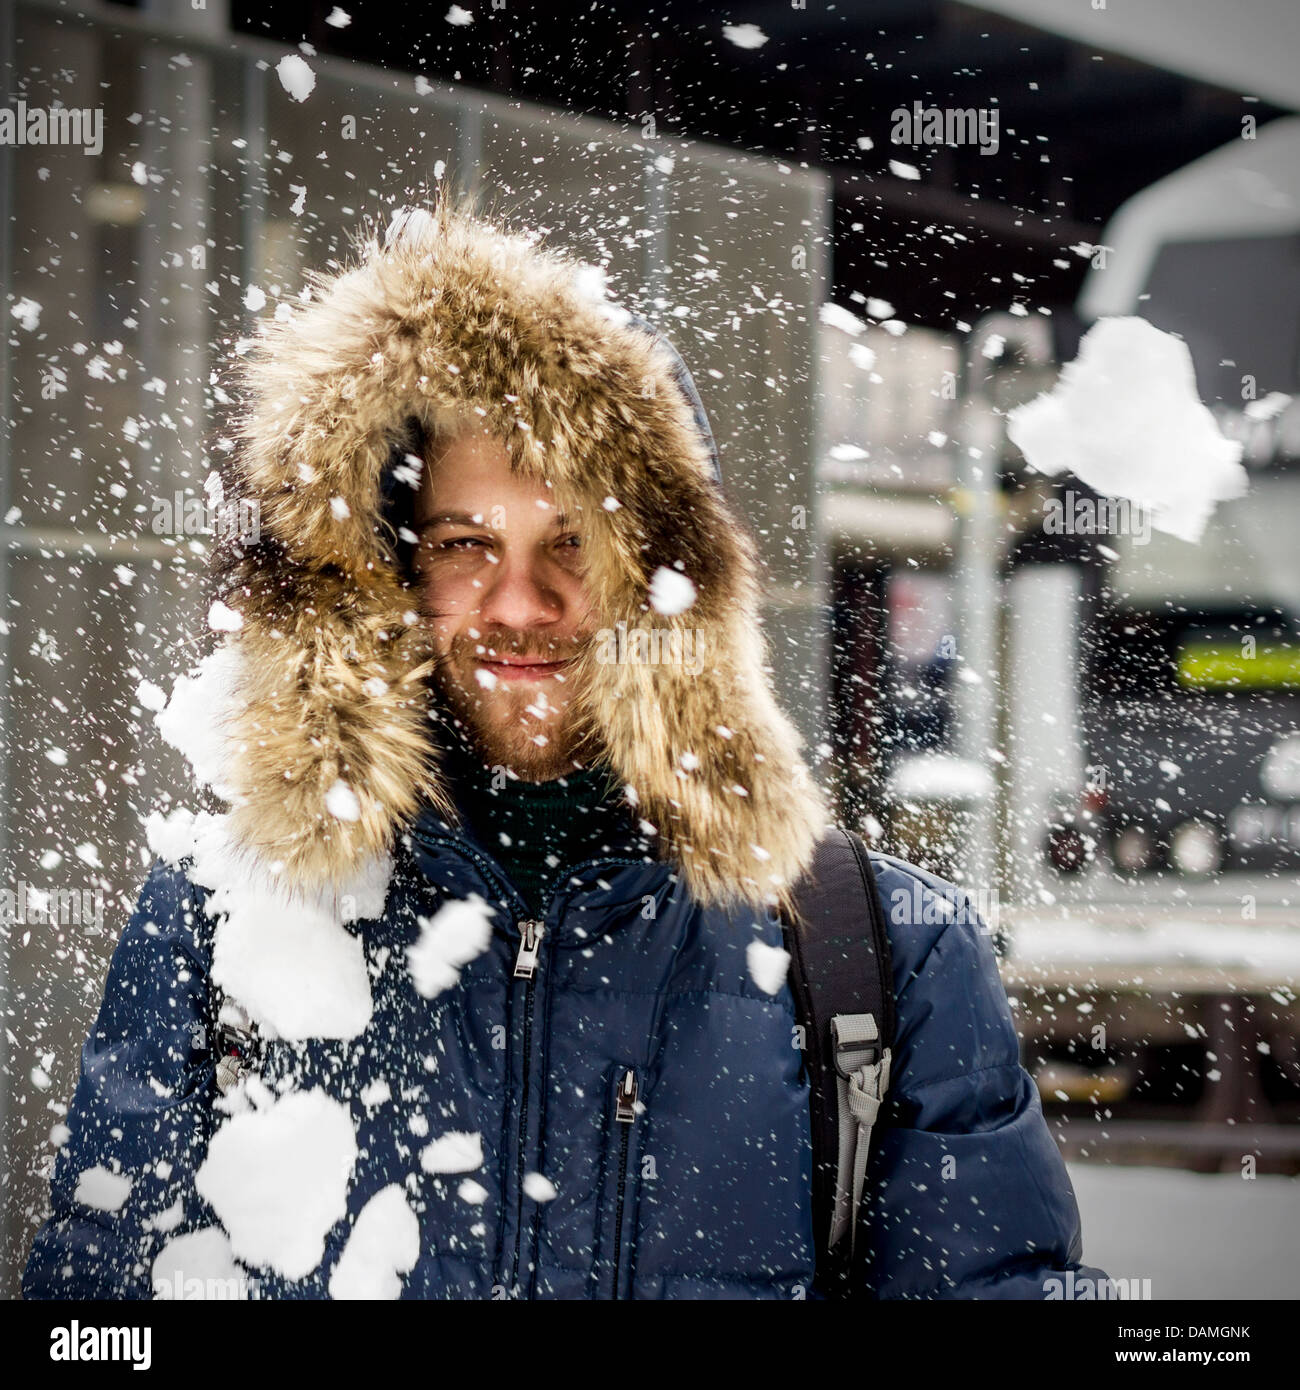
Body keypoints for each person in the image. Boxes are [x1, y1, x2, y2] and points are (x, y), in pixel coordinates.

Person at [23, 195, 1105, 1300]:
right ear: (375, 576)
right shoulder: (219, 921)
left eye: (573, 544)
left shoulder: (875, 953)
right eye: (462, 544)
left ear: (664, 581)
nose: (521, 602)